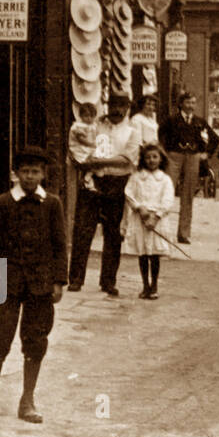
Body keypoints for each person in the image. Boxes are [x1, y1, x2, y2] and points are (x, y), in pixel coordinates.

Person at [0, 147, 66, 423]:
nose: (29, 176)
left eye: (35, 171)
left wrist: (59, 281)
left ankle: (27, 399)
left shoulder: (52, 204)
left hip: (40, 283)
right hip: (6, 281)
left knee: (36, 340)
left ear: (43, 174)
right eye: (25, 171)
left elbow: (60, 246)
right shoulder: (3, 203)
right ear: (16, 173)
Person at [69, 94, 140, 295]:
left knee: (113, 234)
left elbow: (126, 159)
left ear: (127, 108)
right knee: (83, 230)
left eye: (122, 106)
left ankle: (108, 281)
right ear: (108, 106)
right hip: (93, 181)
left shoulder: (132, 132)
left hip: (117, 183)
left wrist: (99, 162)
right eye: (114, 105)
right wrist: (88, 163)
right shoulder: (95, 126)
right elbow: (80, 145)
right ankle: (75, 279)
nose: (117, 110)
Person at [158, 93, 219, 246]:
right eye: (188, 102)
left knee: (188, 194)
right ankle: (161, 231)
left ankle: (184, 233)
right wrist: (164, 153)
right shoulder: (172, 120)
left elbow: (214, 139)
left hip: (193, 157)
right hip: (174, 156)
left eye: (193, 103)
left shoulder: (199, 121)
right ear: (181, 104)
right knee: (167, 190)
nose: (191, 106)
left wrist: (206, 154)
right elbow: (159, 135)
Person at [123, 144, 175, 299]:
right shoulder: (137, 177)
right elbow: (129, 193)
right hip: (141, 218)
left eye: (155, 157)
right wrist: (139, 208)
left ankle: (154, 286)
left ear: (160, 159)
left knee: (154, 254)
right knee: (143, 253)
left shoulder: (164, 179)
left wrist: (156, 216)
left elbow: (168, 199)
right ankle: (145, 285)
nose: (151, 160)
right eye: (148, 157)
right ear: (143, 160)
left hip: (157, 220)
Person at [67, 101, 101, 194]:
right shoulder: (78, 126)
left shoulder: (94, 125)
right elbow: (81, 139)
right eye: (86, 116)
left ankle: (88, 178)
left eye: (91, 116)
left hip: (89, 147)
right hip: (80, 148)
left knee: (99, 158)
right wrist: (92, 144)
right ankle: (86, 179)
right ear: (81, 116)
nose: (89, 118)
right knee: (88, 161)